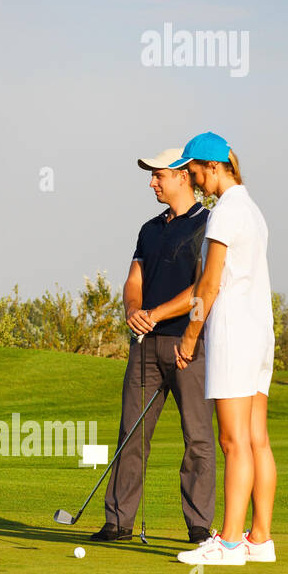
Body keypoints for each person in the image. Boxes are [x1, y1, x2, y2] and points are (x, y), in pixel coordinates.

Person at [151, 133, 276, 566]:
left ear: (212, 166)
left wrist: (189, 336)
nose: (192, 178)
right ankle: (259, 539)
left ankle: (227, 544)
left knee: (232, 439)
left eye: (193, 170)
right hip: (261, 334)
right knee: (257, 437)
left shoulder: (225, 212)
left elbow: (209, 283)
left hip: (235, 335)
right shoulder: (252, 210)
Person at [93, 149, 216, 545]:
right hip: (144, 345)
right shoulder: (149, 228)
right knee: (131, 434)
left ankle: (199, 526)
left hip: (188, 345)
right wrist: (133, 309)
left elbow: (203, 288)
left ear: (182, 176)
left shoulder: (209, 225)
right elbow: (135, 277)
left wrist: (157, 313)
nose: (152, 183)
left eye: (158, 176)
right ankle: (118, 522)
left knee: (197, 437)